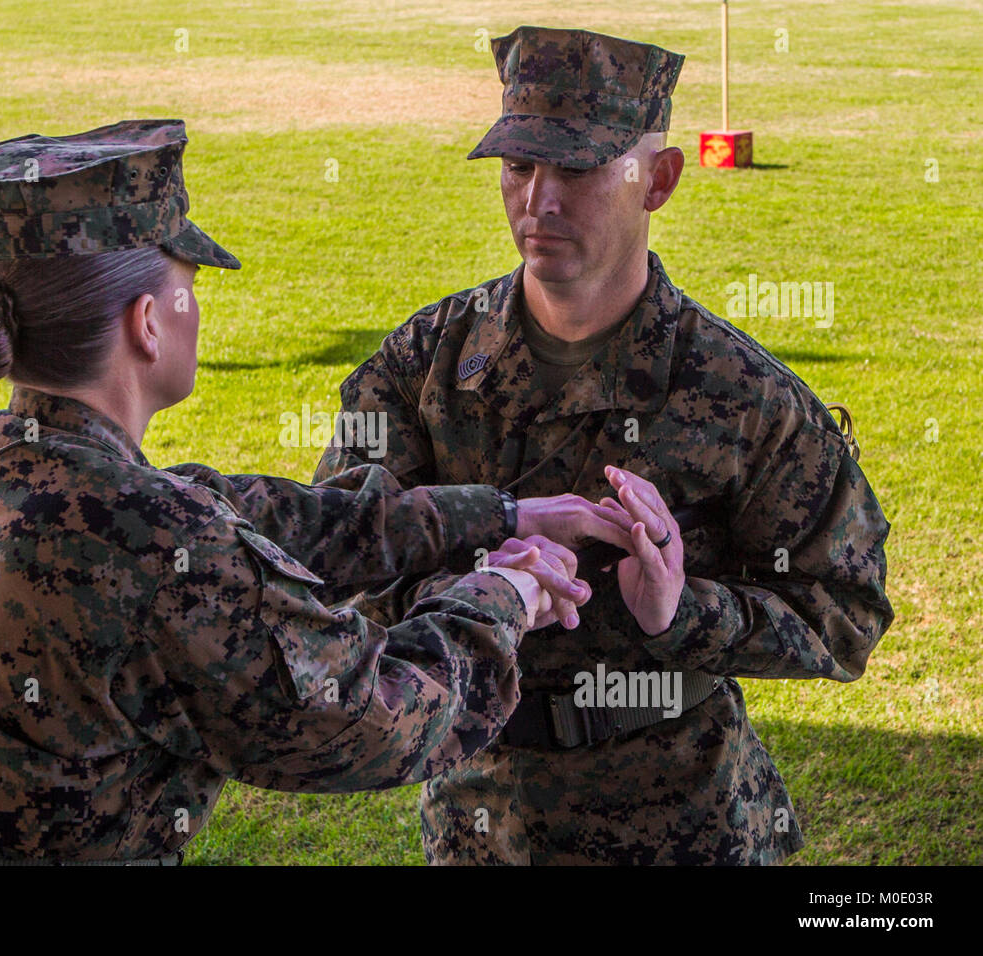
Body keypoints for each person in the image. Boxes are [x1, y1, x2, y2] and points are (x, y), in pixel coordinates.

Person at [0, 119, 627, 865]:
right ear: (148, 323)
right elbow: (373, 716)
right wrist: (506, 593)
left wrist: (502, 514)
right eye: (188, 286)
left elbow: (257, 513)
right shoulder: (148, 542)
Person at [314, 26, 895, 865]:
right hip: (484, 822)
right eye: (518, 167)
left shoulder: (743, 397)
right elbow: (338, 559)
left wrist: (682, 611)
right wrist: (480, 584)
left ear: (656, 180)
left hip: (684, 824)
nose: (537, 201)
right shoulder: (422, 363)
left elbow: (845, 614)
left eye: (577, 169)